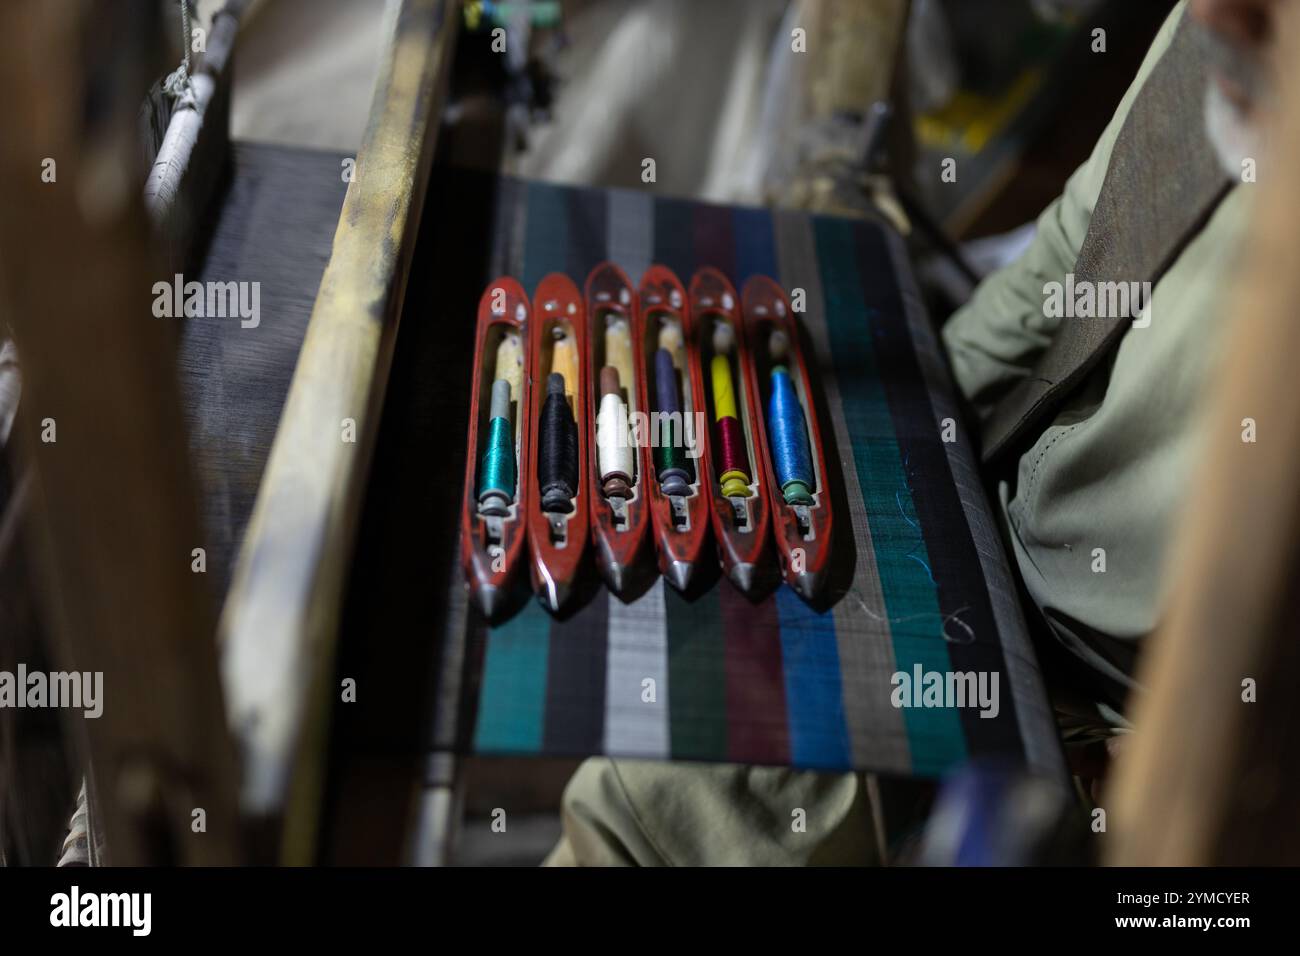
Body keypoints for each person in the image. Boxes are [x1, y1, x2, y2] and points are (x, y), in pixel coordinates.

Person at [544, 0, 1283, 865]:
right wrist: (882, 470)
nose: (1216, 13)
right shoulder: (1239, 31)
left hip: (1127, 729)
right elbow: (1067, 261)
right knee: (638, 796)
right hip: (987, 555)